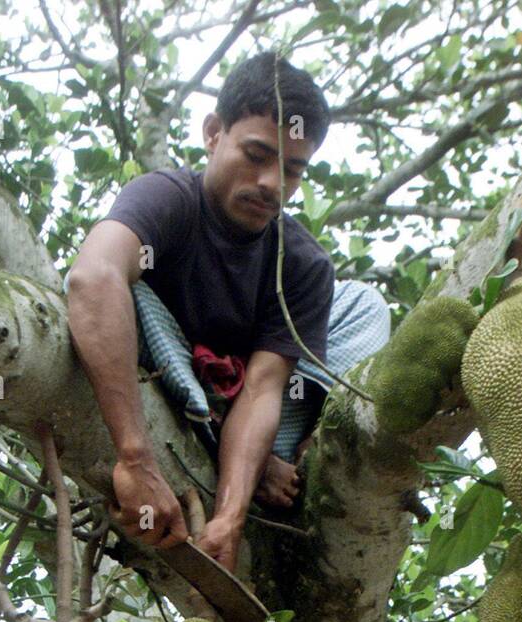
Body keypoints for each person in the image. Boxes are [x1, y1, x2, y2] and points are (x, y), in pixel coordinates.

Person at [66, 50, 390, 573]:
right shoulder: (166, 198)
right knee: (121, 286)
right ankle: (239, 450)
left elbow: (265, 388)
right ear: (214, 132)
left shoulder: (301, 262)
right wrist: (135, 460)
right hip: (170, 388)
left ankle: (266, 460)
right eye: (257, 155)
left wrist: (229, 517)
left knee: (365, 305)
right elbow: (90, 278)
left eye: (292, 169)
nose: (272, 184)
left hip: (252, 416)